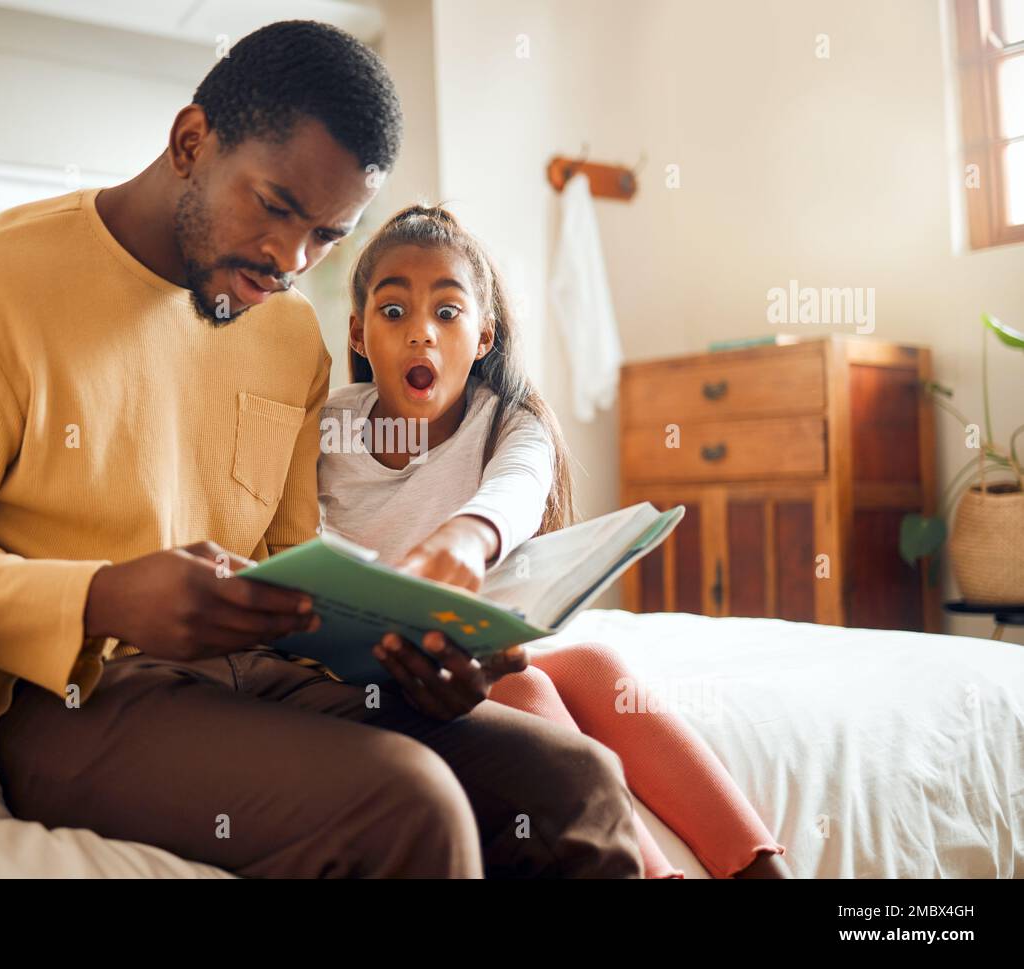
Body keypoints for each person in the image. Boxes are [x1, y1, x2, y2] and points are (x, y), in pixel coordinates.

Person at [0, 20, 643, 878]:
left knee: (576, 781)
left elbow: (288, 558)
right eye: (277, 208)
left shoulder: (290, 333)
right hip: (69, 698)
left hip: (262, 673)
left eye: (328, 237)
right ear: (192, 142)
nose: (290, 261)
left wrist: (409, 657)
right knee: (408, 802)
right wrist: (102, 597)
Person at [318, 202, 791, 877]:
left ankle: (765, 870)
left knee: (594, 664)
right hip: (376, 674)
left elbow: (516, 489)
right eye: (394, 313)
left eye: (447, 313)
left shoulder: (511, 421)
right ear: (360, 334)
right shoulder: (327, 430)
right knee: (521, 689)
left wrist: (466, 538)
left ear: (483, 334)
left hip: (474, 655)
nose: (421, 333)